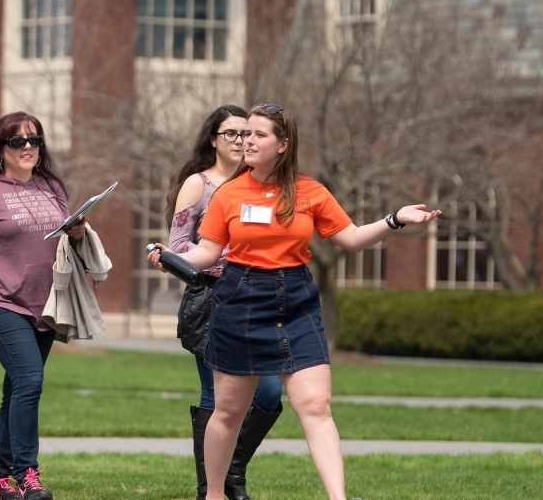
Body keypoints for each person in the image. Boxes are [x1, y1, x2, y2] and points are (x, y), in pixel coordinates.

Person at [147, 104, 441, 500]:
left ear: (283, 145)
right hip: (240, 301)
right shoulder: (230, 193)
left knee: (316, 406)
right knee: (229, 413)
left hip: (295, 301)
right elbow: (208, 252)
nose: (247, 141)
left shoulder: (310, 192)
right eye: (244, 134)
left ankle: (338, 498)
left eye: (258, 135)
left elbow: (351, 237)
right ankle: (214, 494)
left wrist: (395, 220)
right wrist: (171, 258)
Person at [0, 112, 84, 500]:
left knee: (17, 388)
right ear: (1, 149)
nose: (27, 148)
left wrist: (76, 234)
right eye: (18, 141)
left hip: (45, 305)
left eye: (34, 141)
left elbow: (58, 245)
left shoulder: (51, 187)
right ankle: (27, 473)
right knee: (29, 381)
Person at [165, 106, 285, 500]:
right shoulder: (198, 185)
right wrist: (230, 252)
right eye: (231, 133)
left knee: (268, 394)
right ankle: (213, 489)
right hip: (211, 298)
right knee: (214, 398)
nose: (240, 141)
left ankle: (230, 471)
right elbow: (179, 250)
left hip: (258, 298)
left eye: (246, 133)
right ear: (213, 139)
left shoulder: (260, 184)